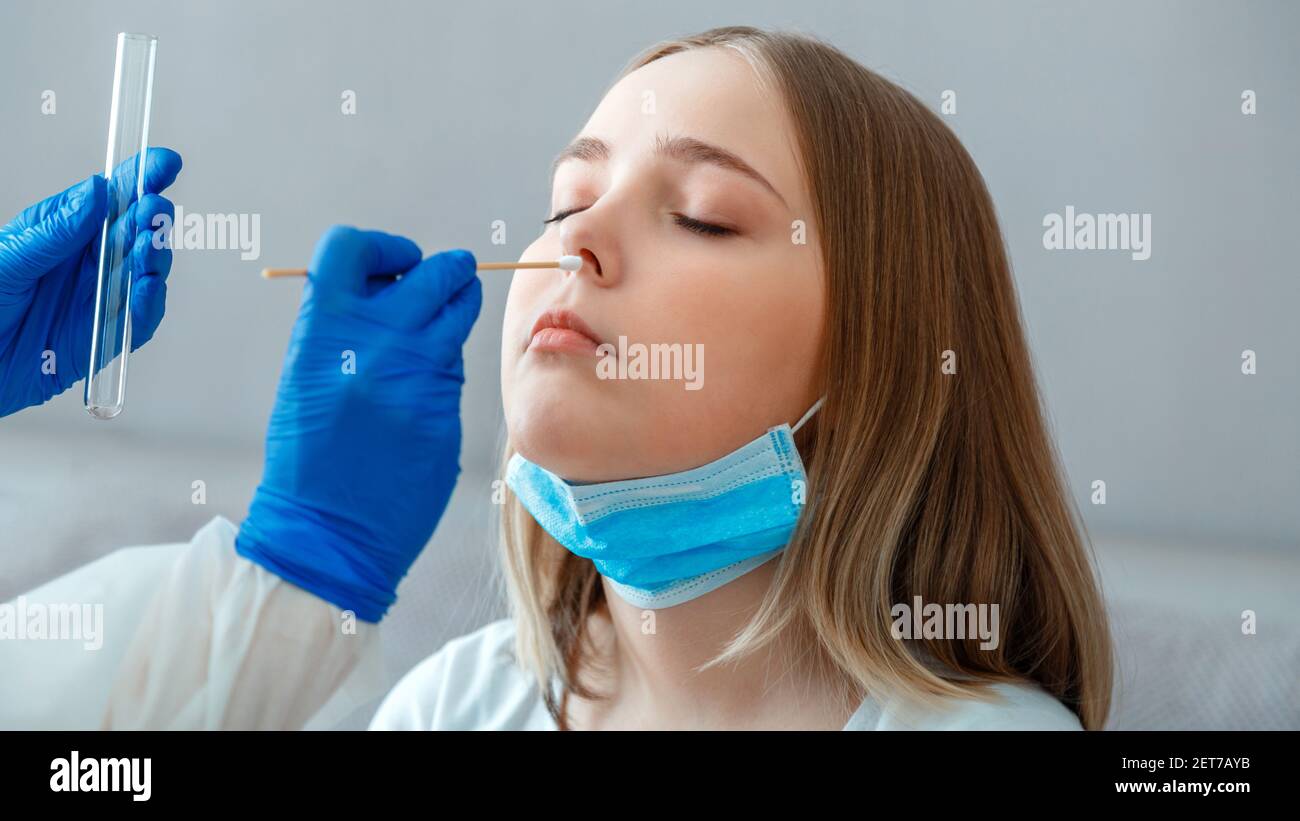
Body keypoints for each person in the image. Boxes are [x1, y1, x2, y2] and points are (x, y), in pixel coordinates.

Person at [1, 26, 1113, 731]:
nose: (576, 241)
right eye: (564, 200)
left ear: (885, 363)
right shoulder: (457, 702)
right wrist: (291, 571)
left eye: (701, 216)